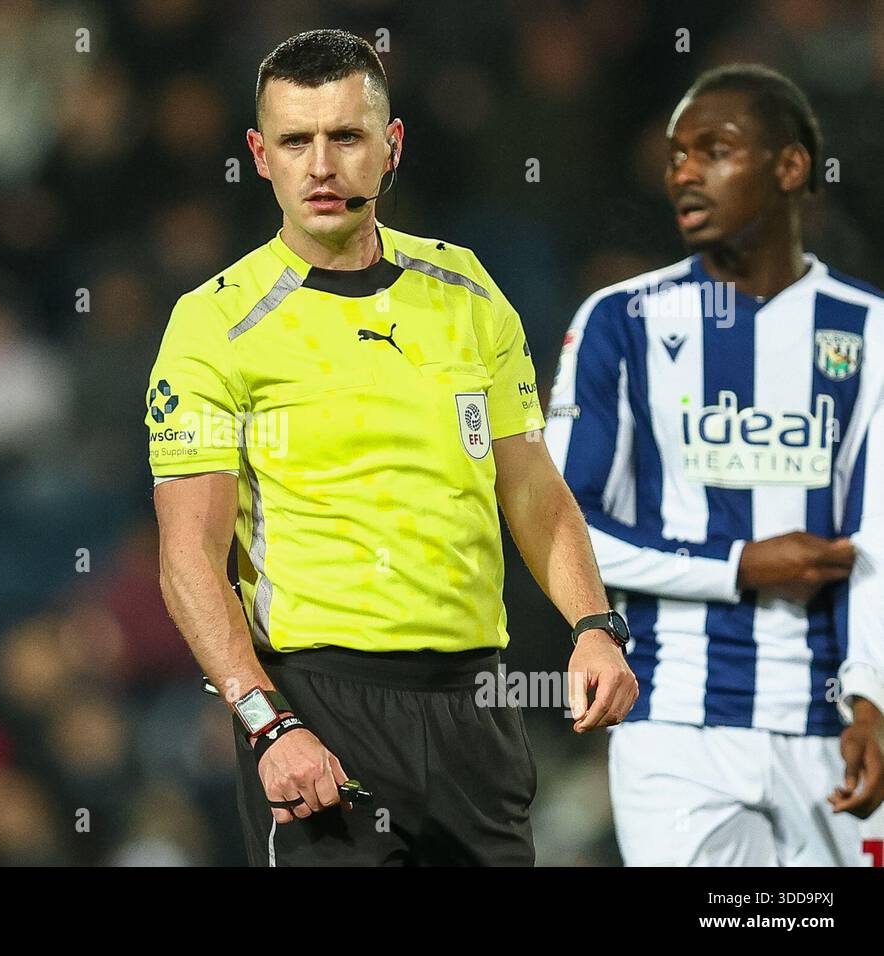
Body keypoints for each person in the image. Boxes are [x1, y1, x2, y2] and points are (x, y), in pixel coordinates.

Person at [146, 29, 635, 866]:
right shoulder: (213, 324)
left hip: (477, 706)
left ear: (392, 145)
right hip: (320, 711)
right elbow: (189, 557)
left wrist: (595, 625)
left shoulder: (471, 291)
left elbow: (530, 487)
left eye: (346, 136)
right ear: (261, 156)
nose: (322, 166)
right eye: (296, 142)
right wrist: (268, 723)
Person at [545, 64, 884, 866]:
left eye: (716, 149)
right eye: (675, 156)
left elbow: (881, 537)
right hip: (673, 726)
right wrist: (737, 566)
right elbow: (563, 526)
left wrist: (873, 697)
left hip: (831, 725)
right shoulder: (620, 322)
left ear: (790, 166)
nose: (684, 172)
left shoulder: (867, 330)